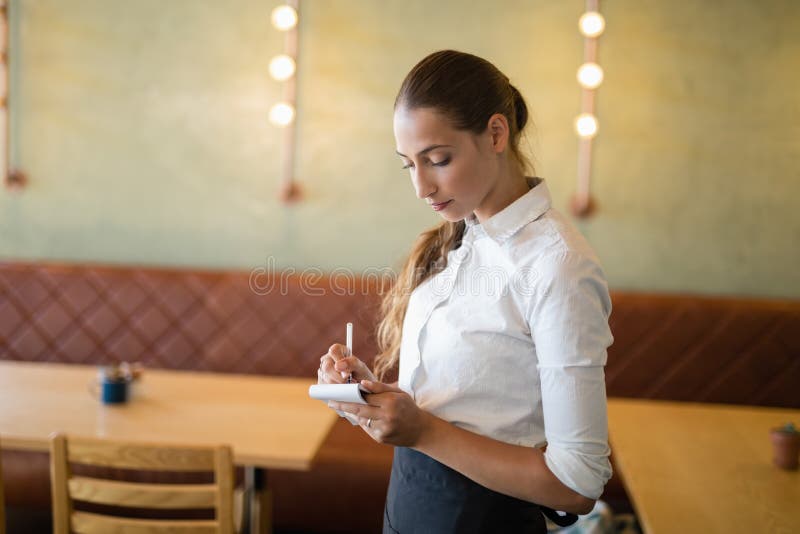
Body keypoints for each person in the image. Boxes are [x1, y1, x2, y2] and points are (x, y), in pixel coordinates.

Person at [317, 49, 613, 534]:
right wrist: (371, 399)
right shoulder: (458, 241)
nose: (421, 187)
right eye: (408, 165)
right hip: (408, 509)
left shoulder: (557, 266)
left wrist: (421, 430)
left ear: (496, 134)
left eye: (437, 159)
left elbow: (577, 484)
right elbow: (461, 406)